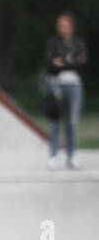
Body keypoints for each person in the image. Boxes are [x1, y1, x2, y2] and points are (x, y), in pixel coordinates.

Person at [44, 12, 86, 170]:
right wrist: (69, 61)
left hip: (75, 85)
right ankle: (53, 156)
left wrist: (63, 62)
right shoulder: (52, 43)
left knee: (72, 122)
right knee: (54, 122)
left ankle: (72, 155)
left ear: (72, 27)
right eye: (61, 25)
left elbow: (81, 63)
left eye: (66, 25)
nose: (64, 28)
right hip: (56, 84)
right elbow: (49, 63)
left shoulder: (79, 44)